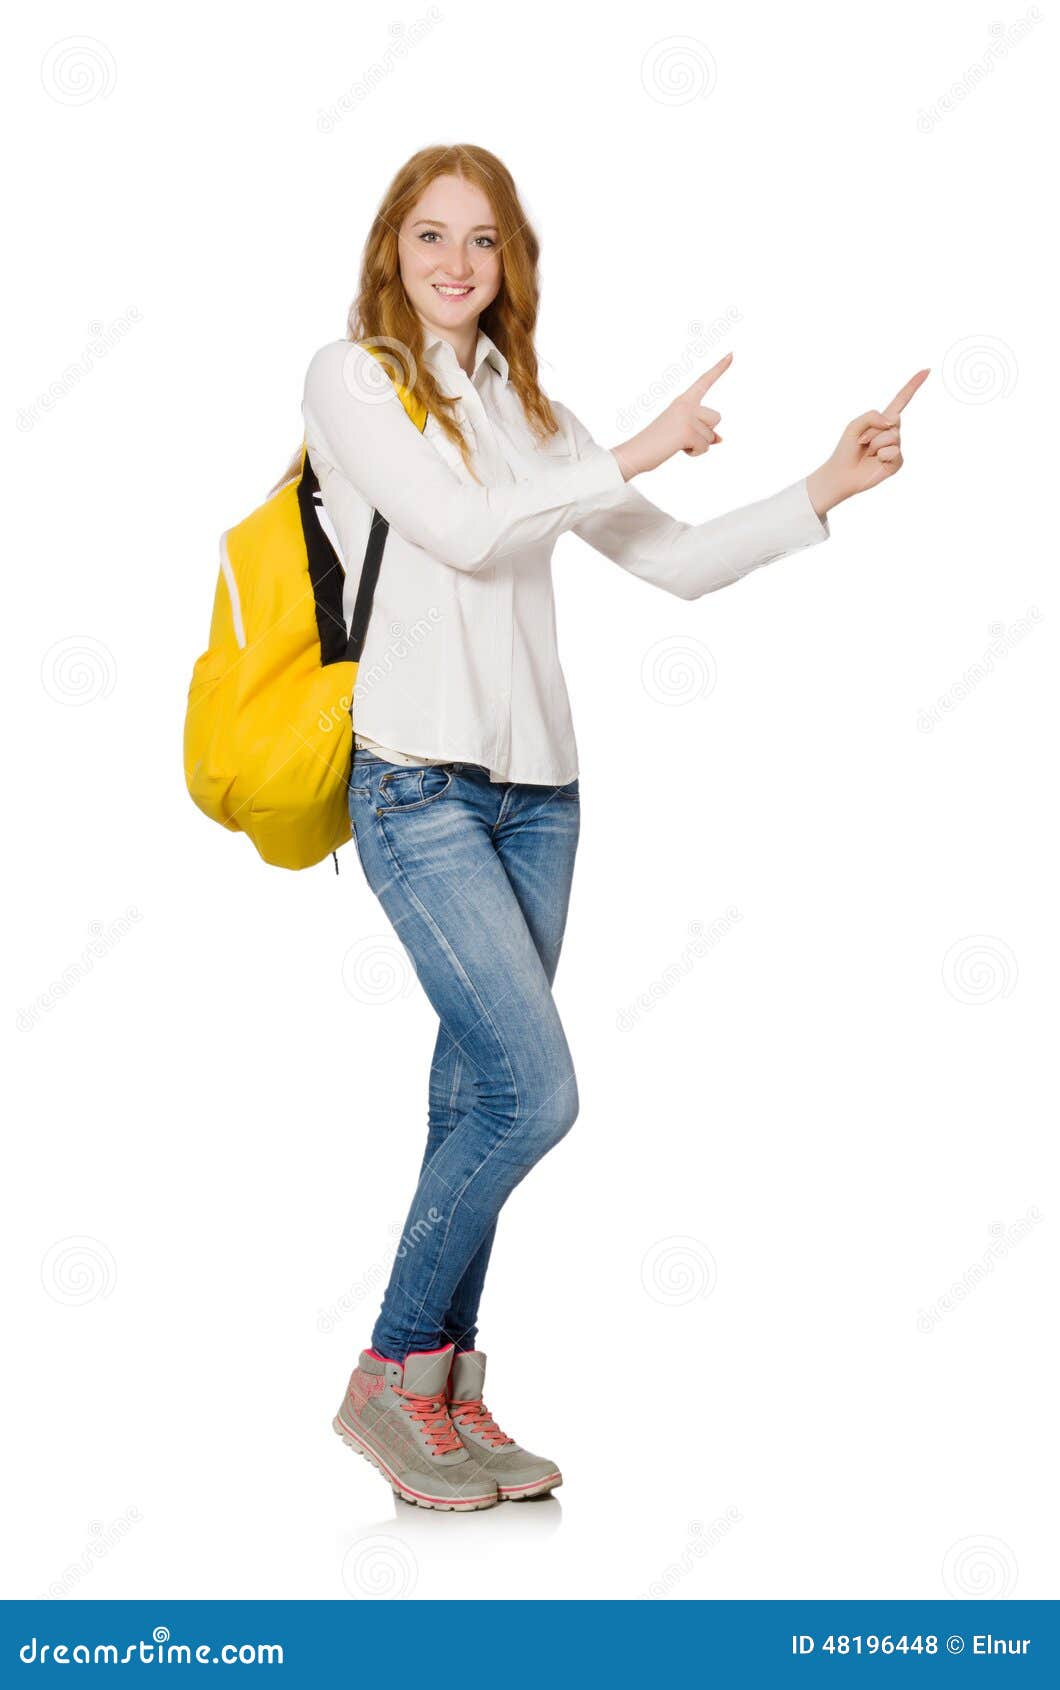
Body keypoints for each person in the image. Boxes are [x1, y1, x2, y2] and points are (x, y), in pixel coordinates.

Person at [298, 143, 927, 1511]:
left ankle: (445, 1399)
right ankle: (389, 1370)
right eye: (430, 237)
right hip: (416, 789)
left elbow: (675, 559)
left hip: (541, 803)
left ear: (513, 262)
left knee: (474, 1094)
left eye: (483, 240)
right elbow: (462, 528)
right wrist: (632, 448)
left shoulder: (537, 413)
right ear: (391, 253)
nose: (456, 264)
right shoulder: (355, 383)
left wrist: (821, 487)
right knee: (537, 1092)